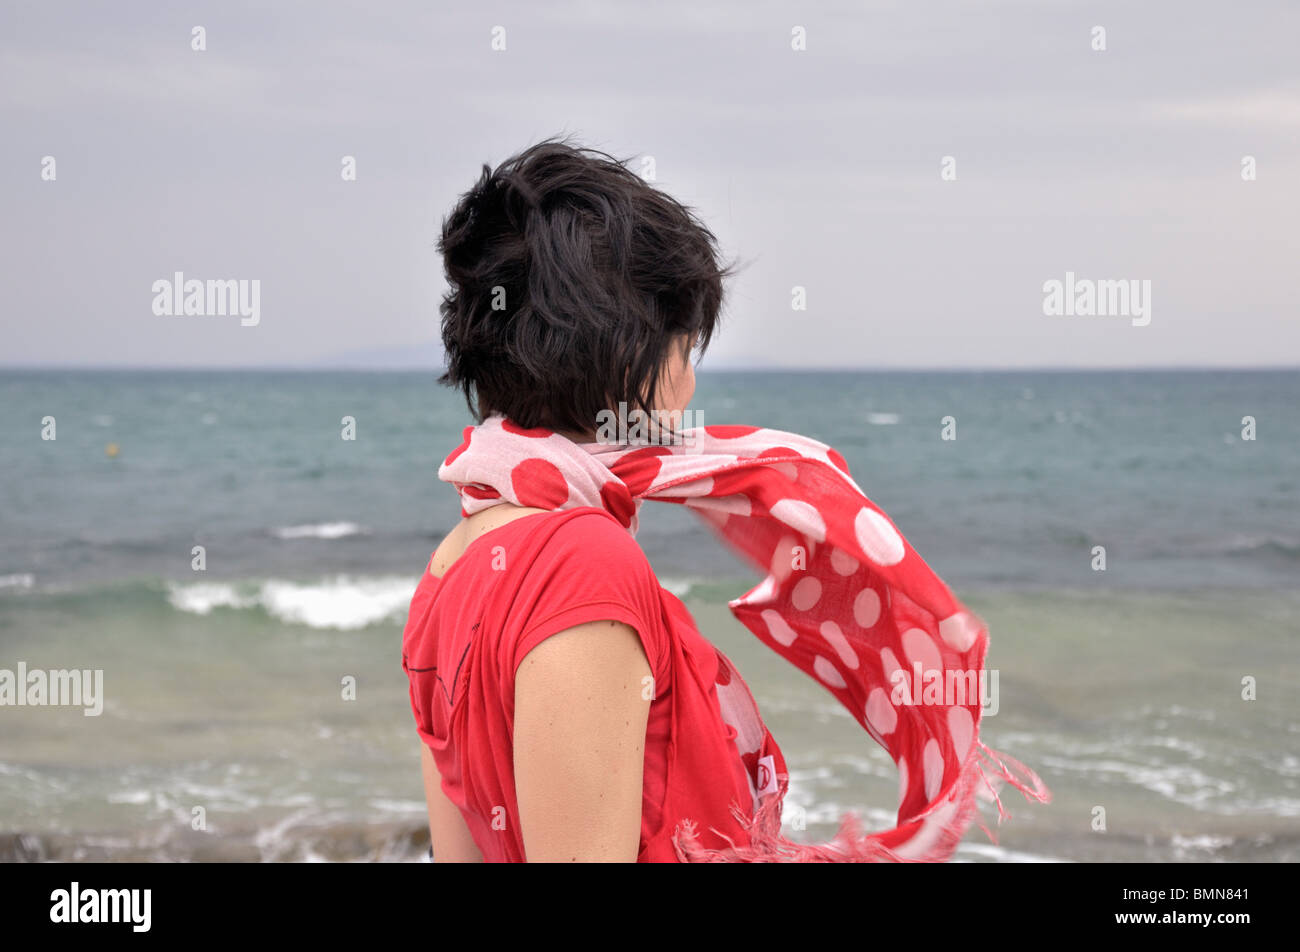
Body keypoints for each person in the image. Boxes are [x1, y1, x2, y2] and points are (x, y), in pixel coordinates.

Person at [402, 136, 1049, 864]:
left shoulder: (453, 564)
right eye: (683, 348)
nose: (691, 384)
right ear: (627, 354)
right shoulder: (579, 559)